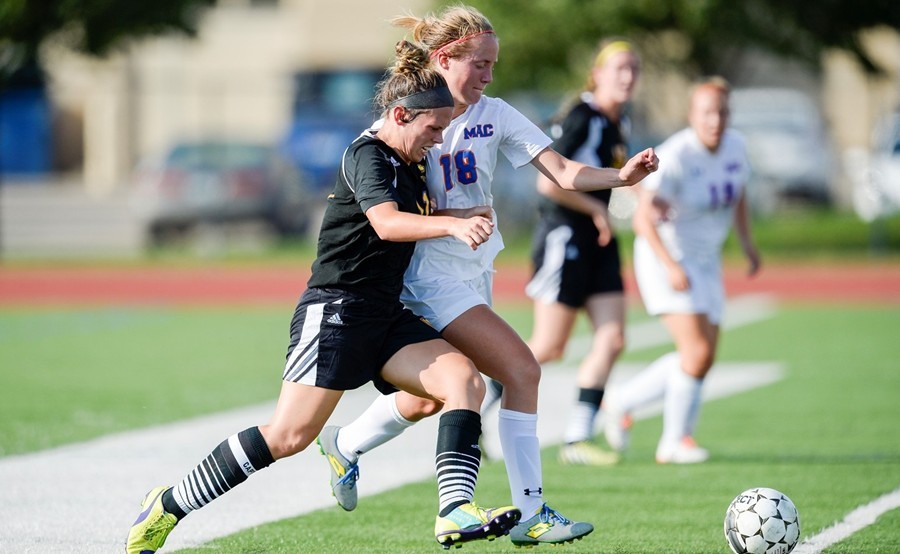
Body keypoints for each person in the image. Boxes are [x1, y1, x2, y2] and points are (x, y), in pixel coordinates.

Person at [125, 41, 523, 554]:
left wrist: (462, 213)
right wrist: (452, 226)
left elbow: (418, 211)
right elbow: (386, 223)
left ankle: (455, 511)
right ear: (401, 115)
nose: (439, 138)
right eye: (433, 128)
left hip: (385, 312)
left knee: (461, 380)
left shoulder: (412, 159)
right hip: (336, 310)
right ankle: (168, 504)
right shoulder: (366, 155)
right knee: (289, 436)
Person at [315, 5, 658, 548]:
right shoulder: (405, 118)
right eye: (480, 64)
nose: (489, 76)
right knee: (522, 370)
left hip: (474, 272)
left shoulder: (494, 113)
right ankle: (530, 514)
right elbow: (381, 199)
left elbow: (562, 171)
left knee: (432, 397)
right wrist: (447, 222)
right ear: (444, 59)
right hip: (428, 276)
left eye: (493, 65)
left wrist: (622, 176)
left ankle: (346, 443)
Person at [481, 38, 642, 467]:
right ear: (597, 74)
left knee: (613, 338)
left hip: (599, 243)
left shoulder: (619, 120)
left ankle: (577, 438)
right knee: (549, 346)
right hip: (565, 238)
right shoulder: (582, 117)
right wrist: (597, 210)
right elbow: (549, 183)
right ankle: (474, 406)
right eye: (620, 68)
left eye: (634, 69)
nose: (628, 76)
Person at [603, 77, 761, 464]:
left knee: (701, 358)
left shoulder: (736, 147)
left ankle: (623, 400)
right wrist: (671, 266)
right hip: (666, 257)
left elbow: (738, 193)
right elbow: (643, 220)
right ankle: (674, 442)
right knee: (697, 352)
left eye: (722, 112)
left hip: (705, 260)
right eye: (707, 113)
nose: (715, 120)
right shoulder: (677, 156)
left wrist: (746, 242)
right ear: (692, 115)